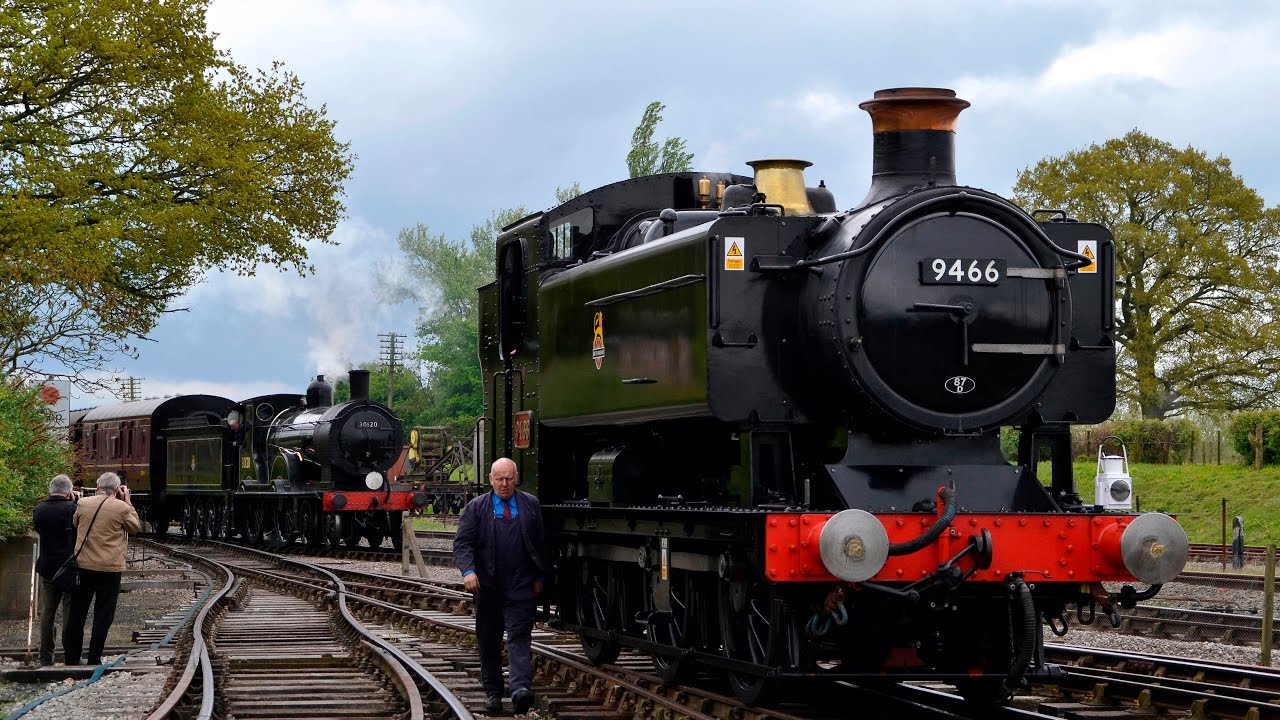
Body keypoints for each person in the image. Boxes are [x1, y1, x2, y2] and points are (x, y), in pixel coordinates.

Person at [453, 458, 546, 715]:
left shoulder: (530, 505)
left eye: (509, 479)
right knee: (488, 639)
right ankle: (493, 692)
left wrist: (541, 577)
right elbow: (463, 544)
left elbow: (540, 543)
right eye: (499, 479)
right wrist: (469, 571)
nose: (504, 484)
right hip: (488, 585)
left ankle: (520, 690)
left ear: (516, 478)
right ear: (490, 479)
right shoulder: (476, 508)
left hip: (520, 584)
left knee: (519, 636)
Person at [63, 472, 141, 666]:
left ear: (97, 487)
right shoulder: (122, 508)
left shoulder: (83, 504)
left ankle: (72, 657)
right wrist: (128, 501)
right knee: (103, 614)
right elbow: (135, 527)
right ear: (117, 489)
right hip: (109, 569)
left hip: (83, 566)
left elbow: (75, 523)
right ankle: (94, 657)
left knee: (77, 613)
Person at [32, 474, 79, 666]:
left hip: (48, 567)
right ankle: (70, 655)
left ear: (50, 489)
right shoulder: (73, 509)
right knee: (69, 613)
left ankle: (45, 656)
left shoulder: (39, 510)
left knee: (47, 613)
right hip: (69, 568)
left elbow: (39, 530)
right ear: (69, 491)